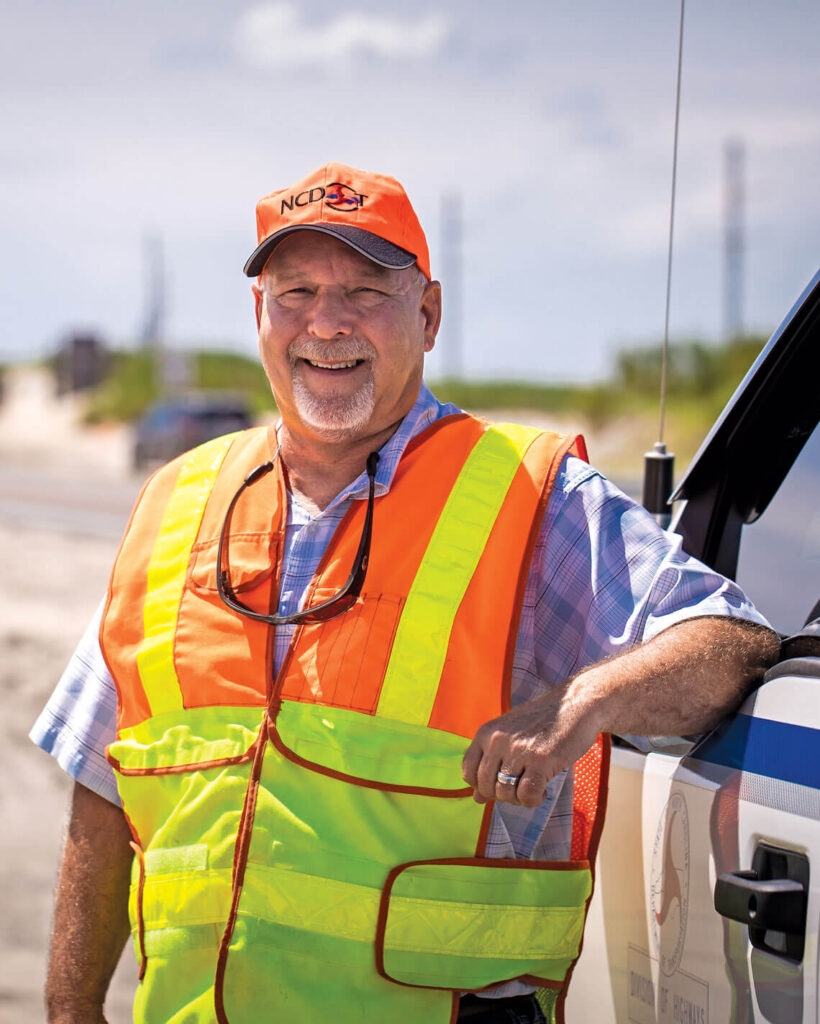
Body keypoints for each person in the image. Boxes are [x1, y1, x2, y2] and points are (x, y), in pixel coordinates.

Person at [32, 162, 778, 1024]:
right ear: (259, 315)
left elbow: (731, 642)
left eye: (365, 290)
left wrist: (585, 699)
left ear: (426, 314)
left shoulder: (529, 498)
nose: (327, 322)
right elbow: (101, 787)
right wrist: (69, 1008)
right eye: (297, 291)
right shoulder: (176, 501)